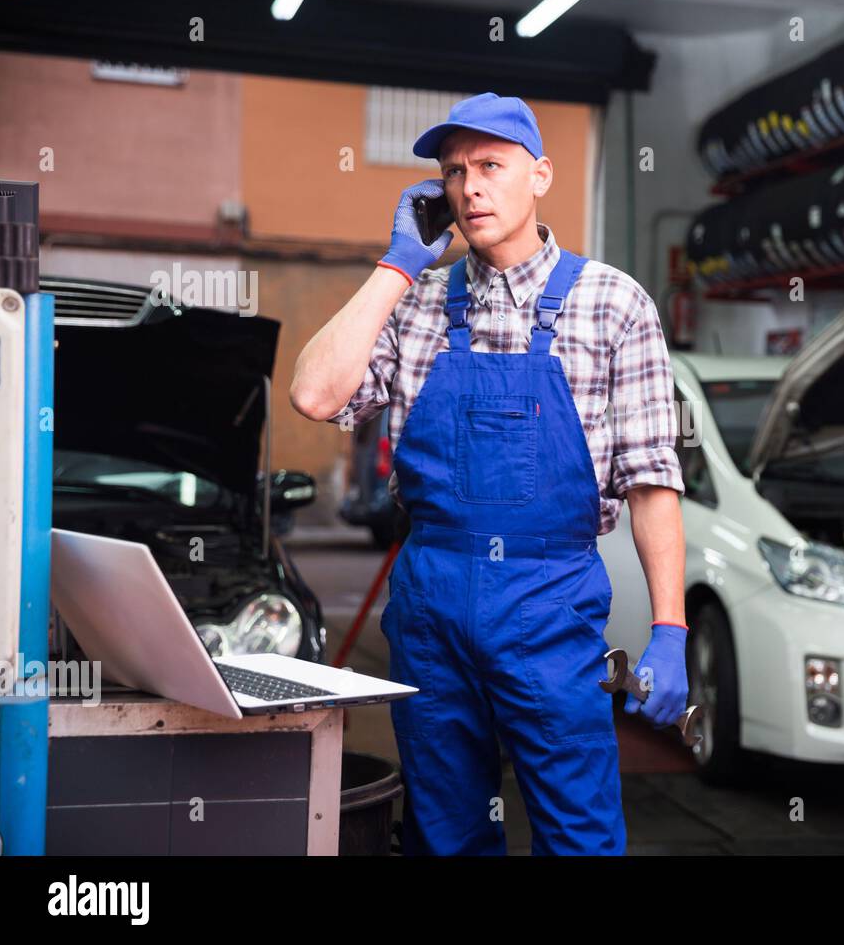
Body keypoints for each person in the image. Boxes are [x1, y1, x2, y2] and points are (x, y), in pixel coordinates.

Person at [290, 92, 688, 855]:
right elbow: (314, 394)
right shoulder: (417, 305)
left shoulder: (613, 304)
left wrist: (670, 628)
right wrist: (397, 267)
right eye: (453, 172)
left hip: (549, 604)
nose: (470, 187)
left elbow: (651, 483)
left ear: (539, 175)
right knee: (444, 834)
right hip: (431, 599)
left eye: (491, 166)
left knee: (578, 833)